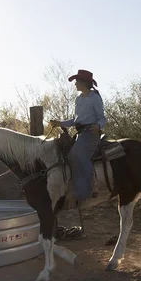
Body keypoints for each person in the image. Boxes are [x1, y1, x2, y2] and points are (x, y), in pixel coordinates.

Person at [49, 69, 106, 202]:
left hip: (91, 134)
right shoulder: (78, 99)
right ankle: (77, 188)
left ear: (84, 83)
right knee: (68, 155)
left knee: (76, 155)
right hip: (81, 134)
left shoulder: (95, 98)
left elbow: (102, 118)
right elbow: (75, 120)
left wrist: (97, 126)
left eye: (77, 81)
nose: (75, 84)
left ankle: (91, 184)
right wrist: (59, 123)